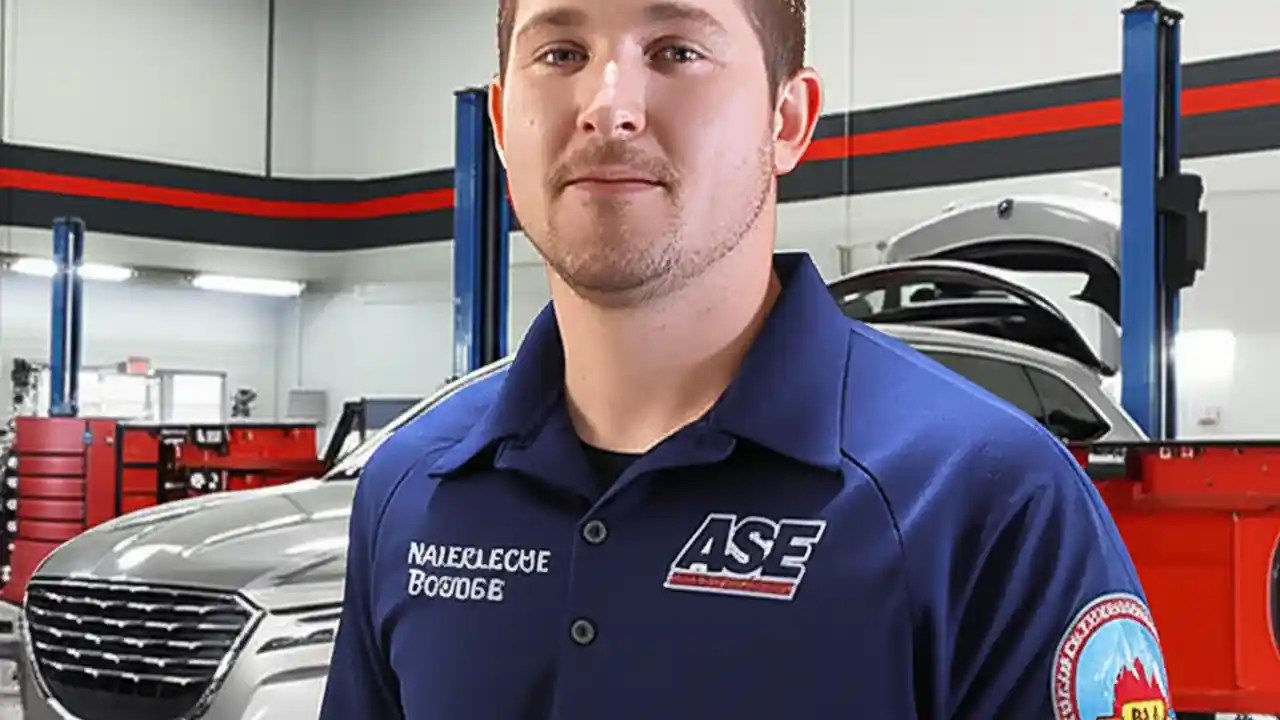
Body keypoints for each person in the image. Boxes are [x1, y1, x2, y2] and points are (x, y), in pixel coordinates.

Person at [319, 0, 1176, 717]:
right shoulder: (410, 491)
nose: (608, 104)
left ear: (787, 121)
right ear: (503, 124)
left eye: (677, 49)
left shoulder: (986, 502)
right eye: (562, 50)